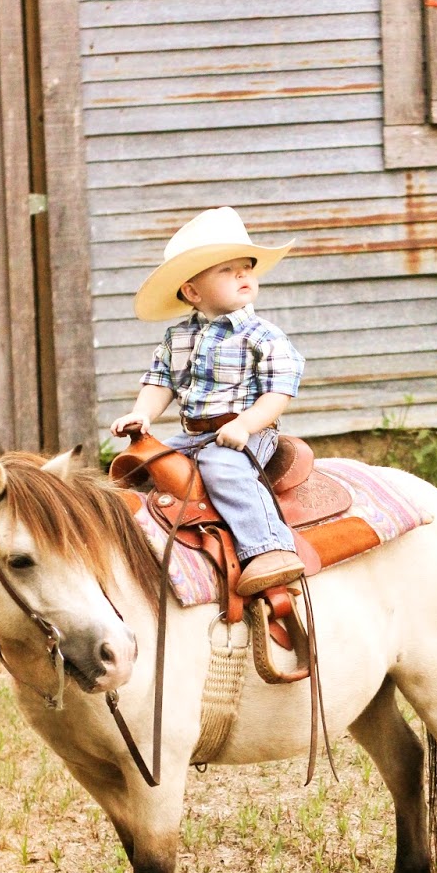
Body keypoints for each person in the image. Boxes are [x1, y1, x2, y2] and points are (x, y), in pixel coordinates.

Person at [111, 206, 307, 597]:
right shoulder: (177, 338)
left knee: (223, 468)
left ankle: (270, 548)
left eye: (246, 267)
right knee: (148, 466)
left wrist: (245, 425)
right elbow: (160, 382)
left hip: (249, 432)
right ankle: (151, 555)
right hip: (196, 434)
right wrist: (141, 413)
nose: (242, 275)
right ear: (193, 292)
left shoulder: (262, 335)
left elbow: (278, 392)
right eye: (226, 269)